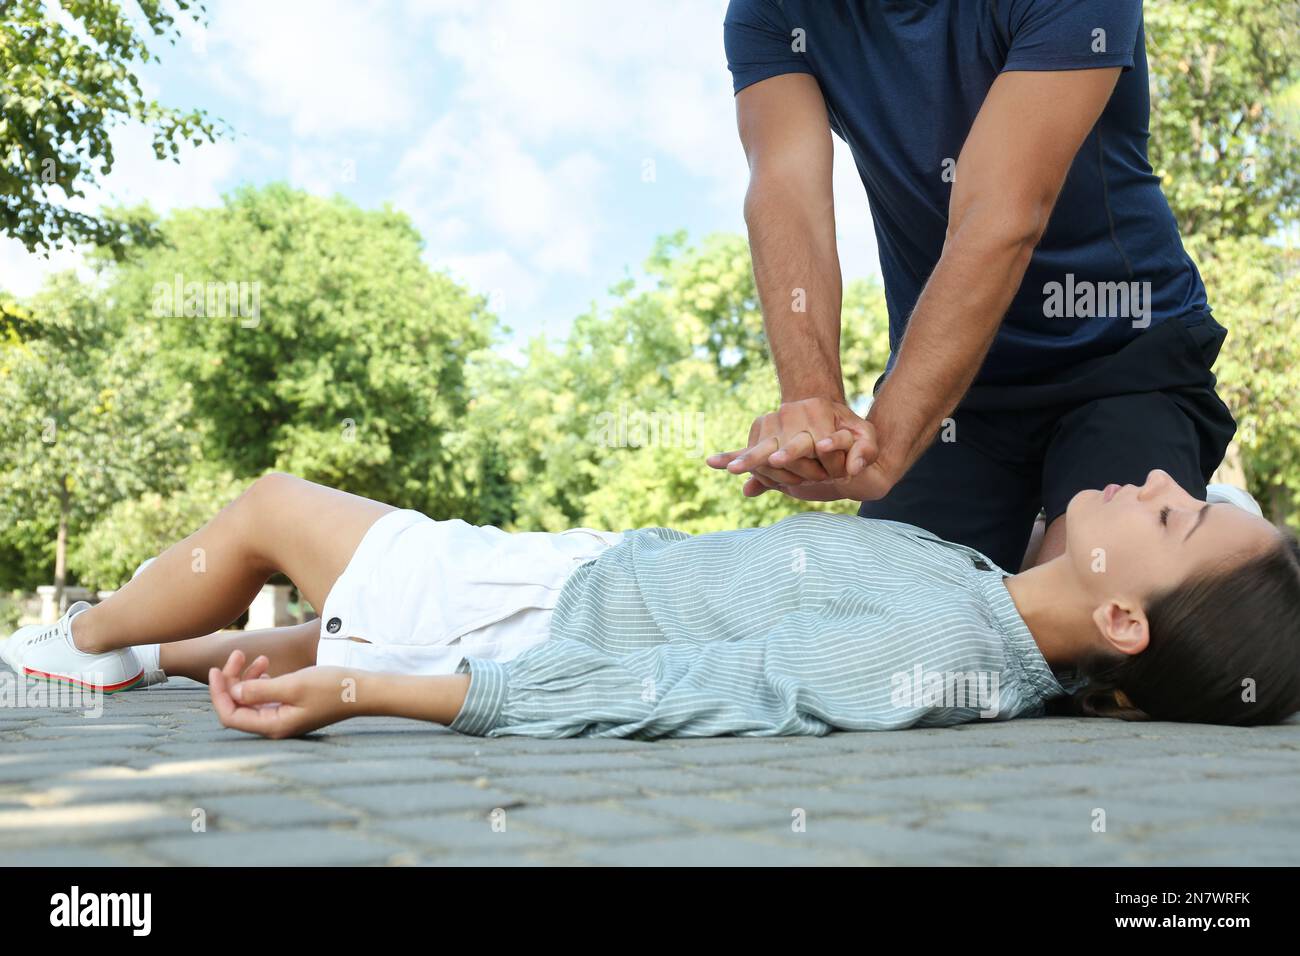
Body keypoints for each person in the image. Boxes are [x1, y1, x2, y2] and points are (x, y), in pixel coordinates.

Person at [3, 469, 1297, 739]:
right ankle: (146, 654)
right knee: (286, 634)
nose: (1165, 481)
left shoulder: (949, 646)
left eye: (1178, 520)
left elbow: (697, 692)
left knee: (269, 514)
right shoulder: (977, 592)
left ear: (1125, 622)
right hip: (568, 573)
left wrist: (368, 691)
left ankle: (83, 642)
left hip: (534, 621)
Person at [710, 0, 1237, 575]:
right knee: (895, 616)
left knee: (1091, 597)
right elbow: (786, 192)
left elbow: (999, 216)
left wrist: (887, 444)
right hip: (955, 391)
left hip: (1127, 353)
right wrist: (816, 409)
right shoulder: (768, 12)